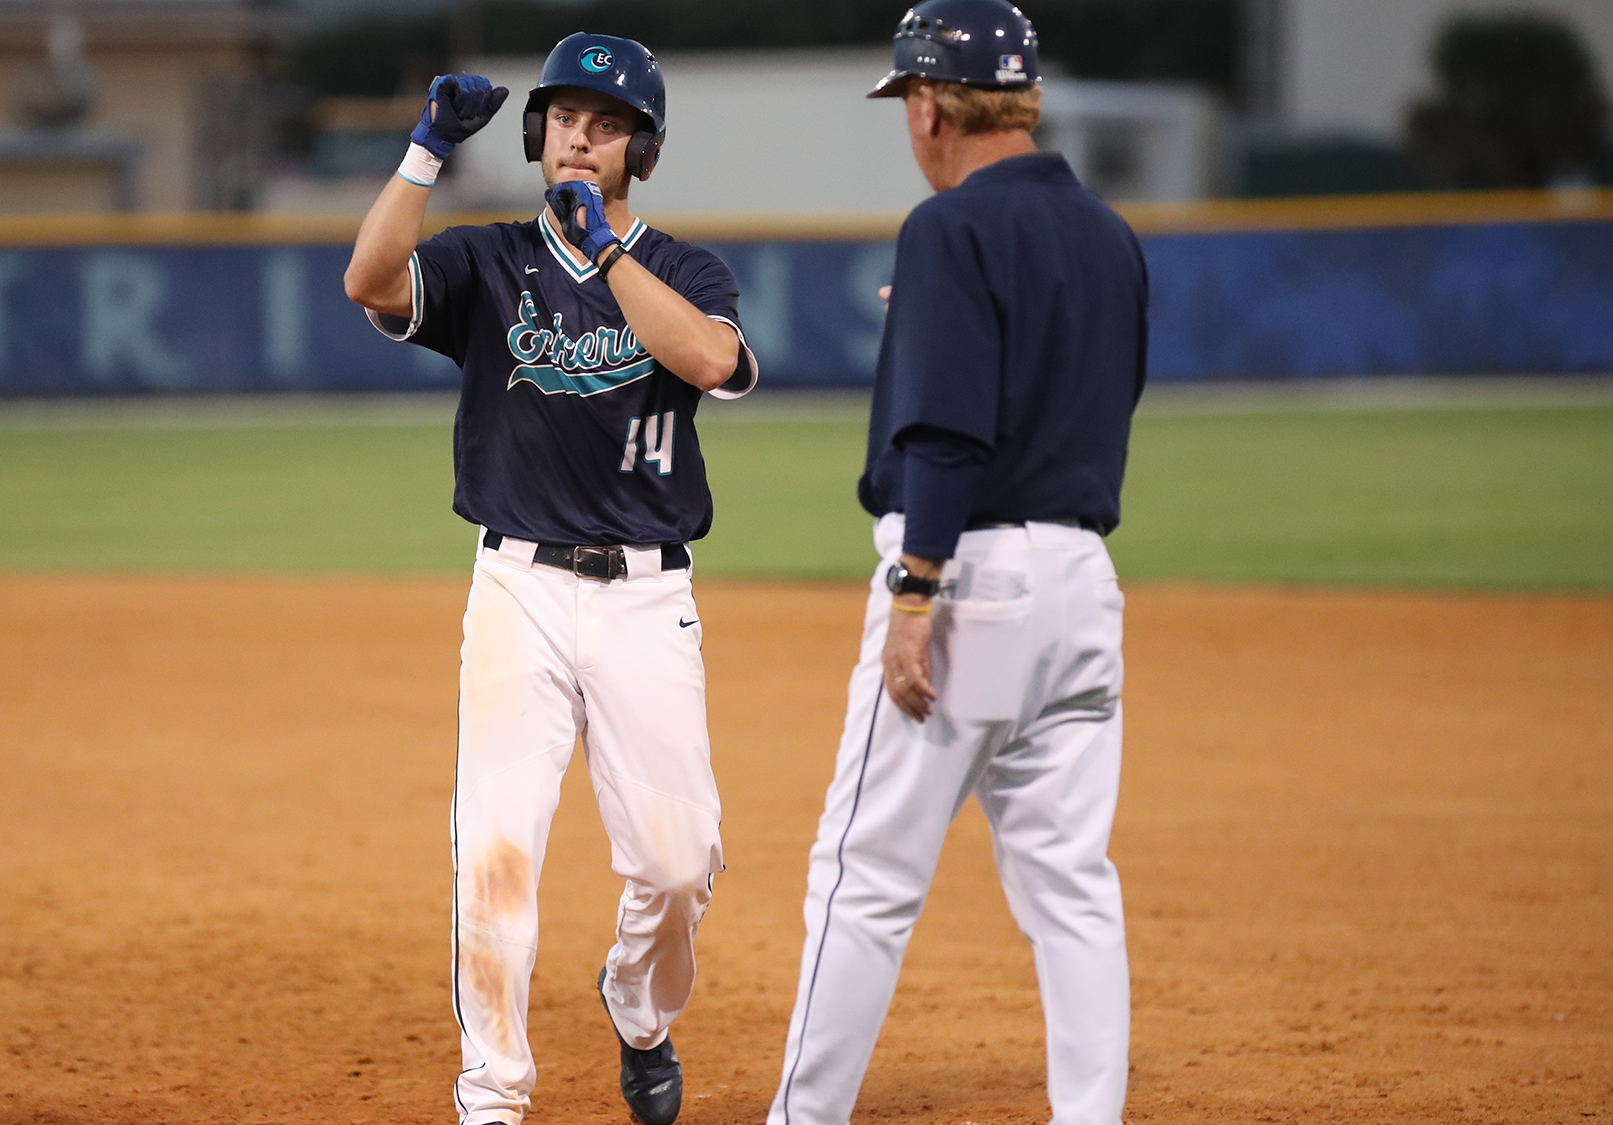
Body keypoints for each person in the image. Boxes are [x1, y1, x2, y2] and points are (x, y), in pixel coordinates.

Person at [343, 32, 758, 1125]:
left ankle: (636, 1000)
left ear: (639, 151)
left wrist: (605, 254)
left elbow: (711, 362)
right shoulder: (485, 263)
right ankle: (493, 1098)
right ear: (538, 132)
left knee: (678, 866)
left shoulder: (679, 268)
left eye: (607, 122)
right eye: (566, 116)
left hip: (645, 596)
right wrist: (425, 151)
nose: (581, 134)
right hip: (517, 590)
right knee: (494, 855)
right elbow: (369, 279)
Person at [763, 3, 1148, 1125]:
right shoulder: (1110, 234)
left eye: (906, 105)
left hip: (970, 581)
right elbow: (1074, 392)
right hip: (1084, 591)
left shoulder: (946, 231)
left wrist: (914, 594)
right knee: (1072, 890)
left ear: (930, 105)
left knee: (863, 878)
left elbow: (947, 435)